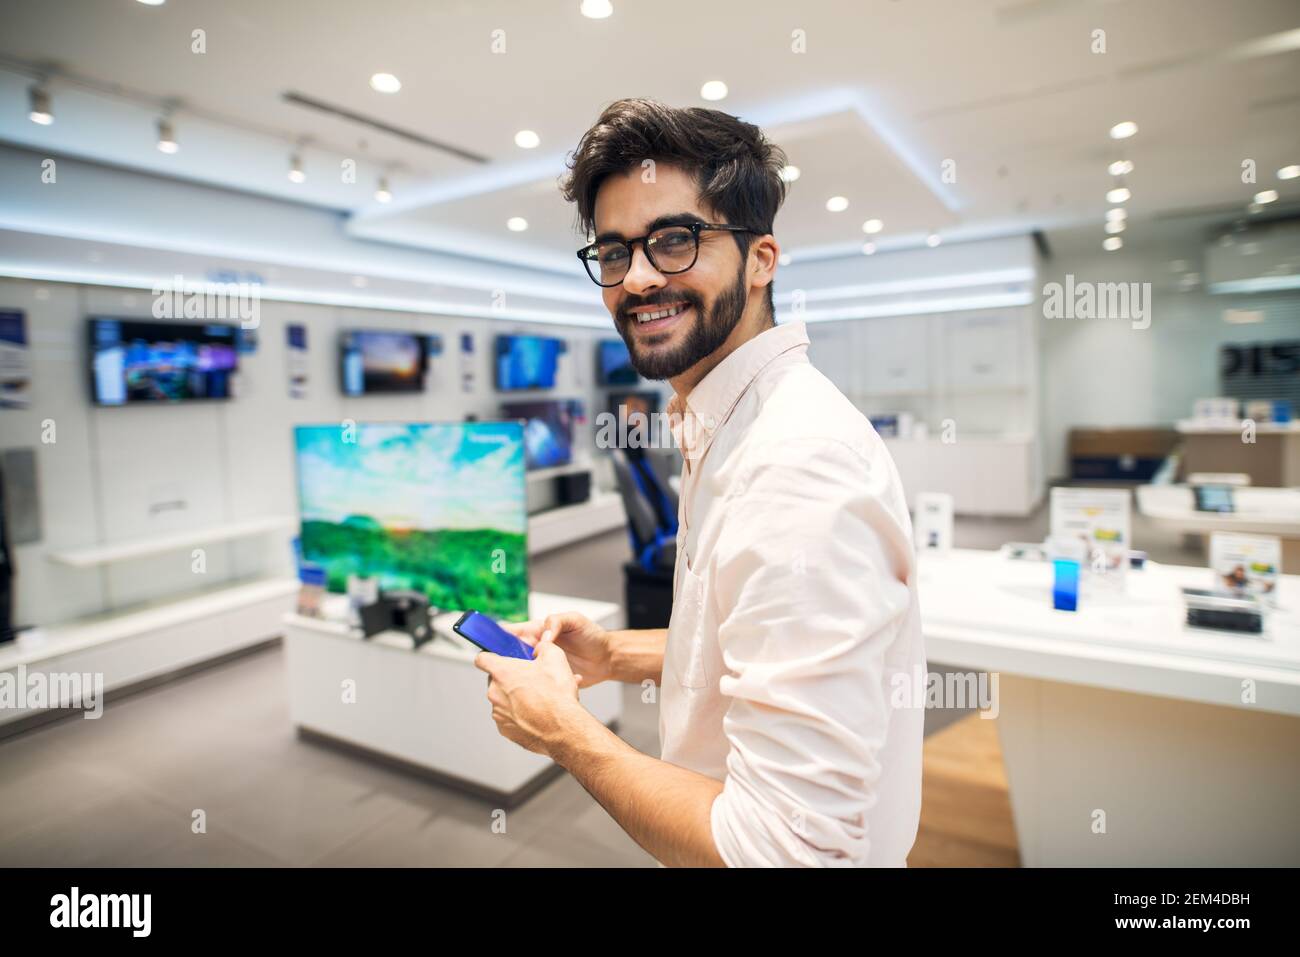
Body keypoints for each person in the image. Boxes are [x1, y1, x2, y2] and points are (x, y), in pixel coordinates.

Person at [473, 98, 926, 867]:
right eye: (614, 253)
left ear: (761, 261)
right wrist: (612, 654)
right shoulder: (723, 422)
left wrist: (564, 730)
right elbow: (747, 645)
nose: (639, 278)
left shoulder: (795, 463)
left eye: (674, 241)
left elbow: (790, 852)